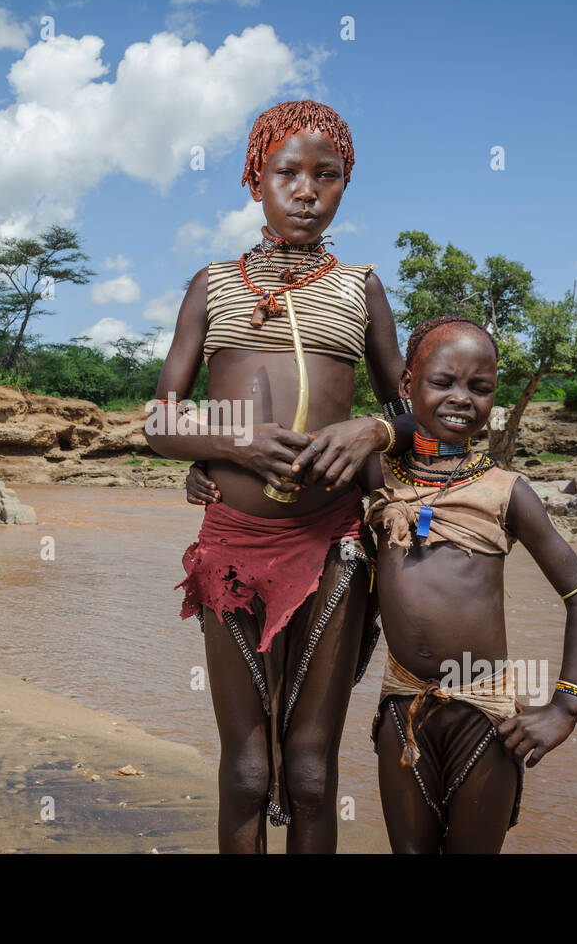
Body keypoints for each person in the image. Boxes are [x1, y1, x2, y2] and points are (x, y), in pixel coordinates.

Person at [188, 314, 577, 853]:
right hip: (402, 705)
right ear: (407, 385)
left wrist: (564, 707)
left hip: (484, 712)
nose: (462, 399)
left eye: (480, 388)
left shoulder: (506, 491)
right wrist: (211, 464)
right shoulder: (378, 475)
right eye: (443, 382)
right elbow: (295, 469)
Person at [148, 99, 416, 853]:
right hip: (231, 545)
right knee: (243, 769)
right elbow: (159, 419)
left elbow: (414, 415)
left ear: (345, 186)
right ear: (254, 180)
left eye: (326, 177)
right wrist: (232, 443)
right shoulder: (213, 283)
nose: (306, 191)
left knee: (308, 769)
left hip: (333, 544)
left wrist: (372, 426)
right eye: (286, 174)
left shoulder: (360, 286)